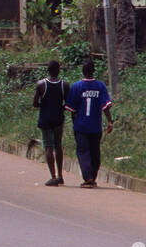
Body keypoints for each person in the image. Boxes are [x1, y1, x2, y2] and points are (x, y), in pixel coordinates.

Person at [65, 60, 114, 188]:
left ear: (83, 71)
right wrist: (110, 121)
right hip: (95, 126)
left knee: (83, 152)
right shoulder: (100, 86)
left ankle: (88, 178)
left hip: (81, 125)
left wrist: (75, 123)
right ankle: (92, 176)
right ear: (93, 71)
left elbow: (72, 109)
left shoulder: (76, 87)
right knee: (95, 152)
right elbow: (106, 107)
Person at [33, 59, 69, 186]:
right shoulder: (64, 85)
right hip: (59, 119)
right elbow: (68, 104)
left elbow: (35, 103)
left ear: (48, 70)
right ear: (58, 70)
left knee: (48, 146)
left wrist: (44, 104)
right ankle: (60, 175)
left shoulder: (41, 84)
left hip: (45, 119)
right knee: (58, 146)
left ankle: (53, 176)